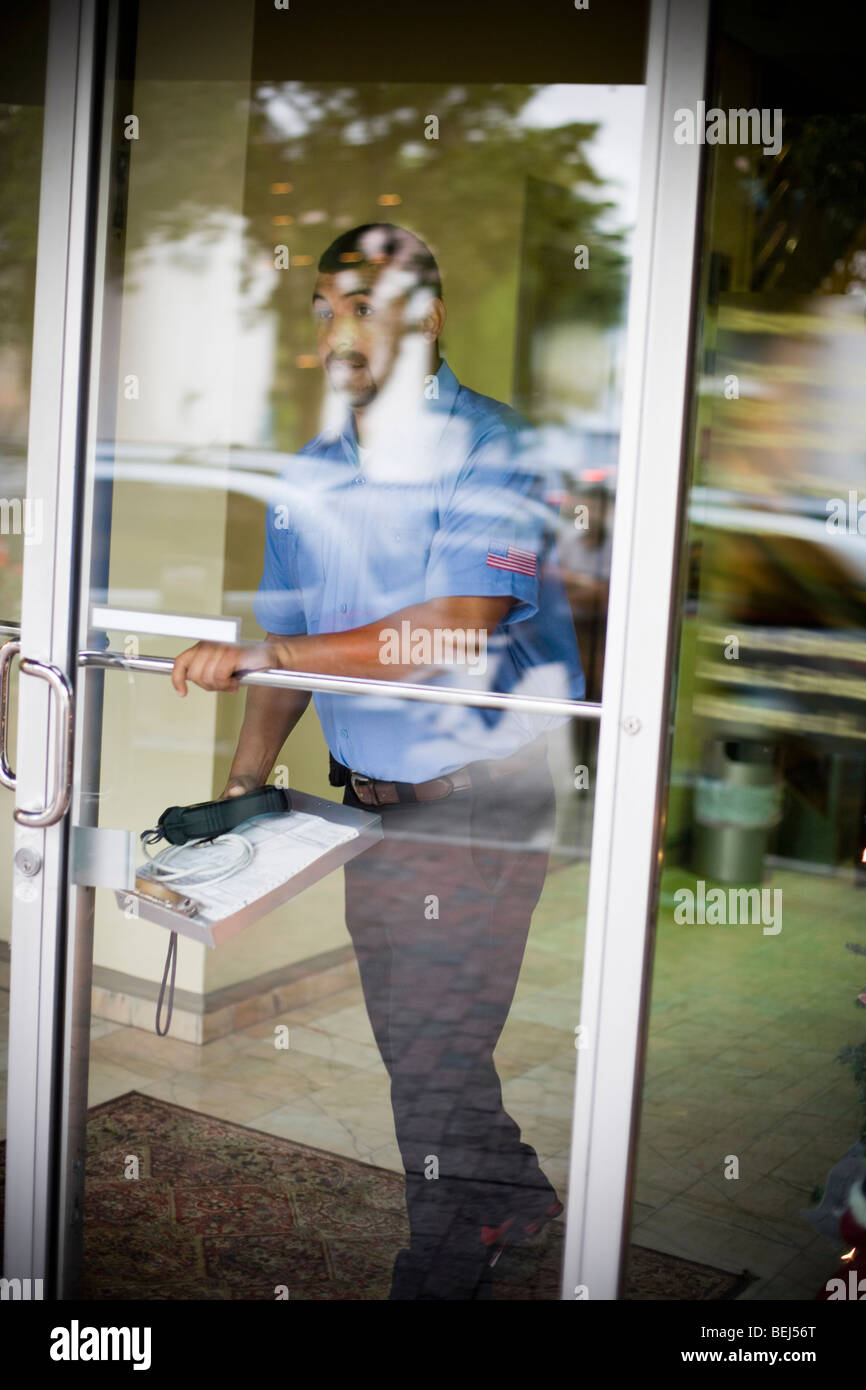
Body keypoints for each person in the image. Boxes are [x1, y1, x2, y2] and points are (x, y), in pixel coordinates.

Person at [171, 223, 585, 1299]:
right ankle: (519, 1196)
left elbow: (453, 627)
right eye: (321, 309)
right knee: (418, 1032)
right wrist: (244, 783)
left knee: (435, 1041)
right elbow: (292, 638)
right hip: (374, 808)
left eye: (360, 302)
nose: (335, 331)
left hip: (483, 799)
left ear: (427, 317)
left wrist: (265, 652)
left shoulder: (494, 445)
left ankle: (444, 1259)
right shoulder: (310, 471)